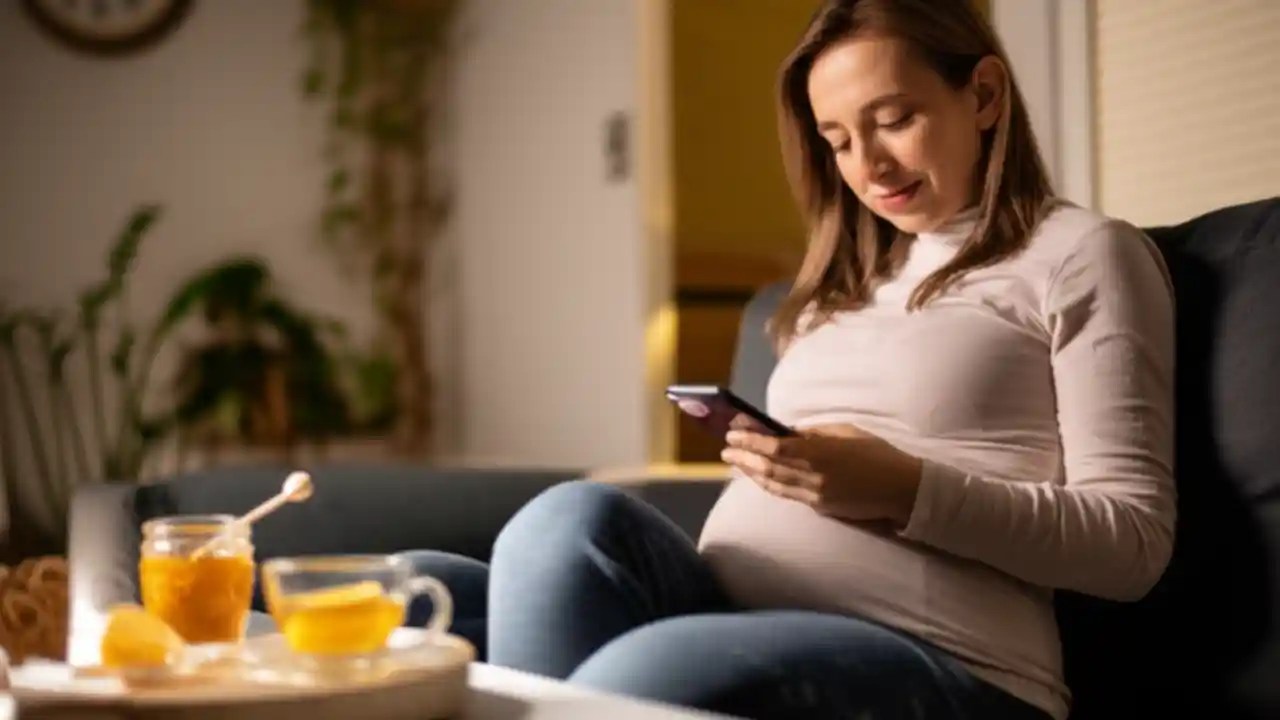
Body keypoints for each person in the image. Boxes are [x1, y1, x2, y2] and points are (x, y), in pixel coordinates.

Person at [401, 0, 1176, 718]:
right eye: (838, 141)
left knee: (643, 672)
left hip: (951, 660)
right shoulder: (837, 288)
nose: (868, 166)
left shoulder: (1081, 255)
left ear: (983, 95)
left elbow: (1131, 546)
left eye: (895, 119)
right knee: (529, 537)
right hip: (727, 611)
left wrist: (905, 489)